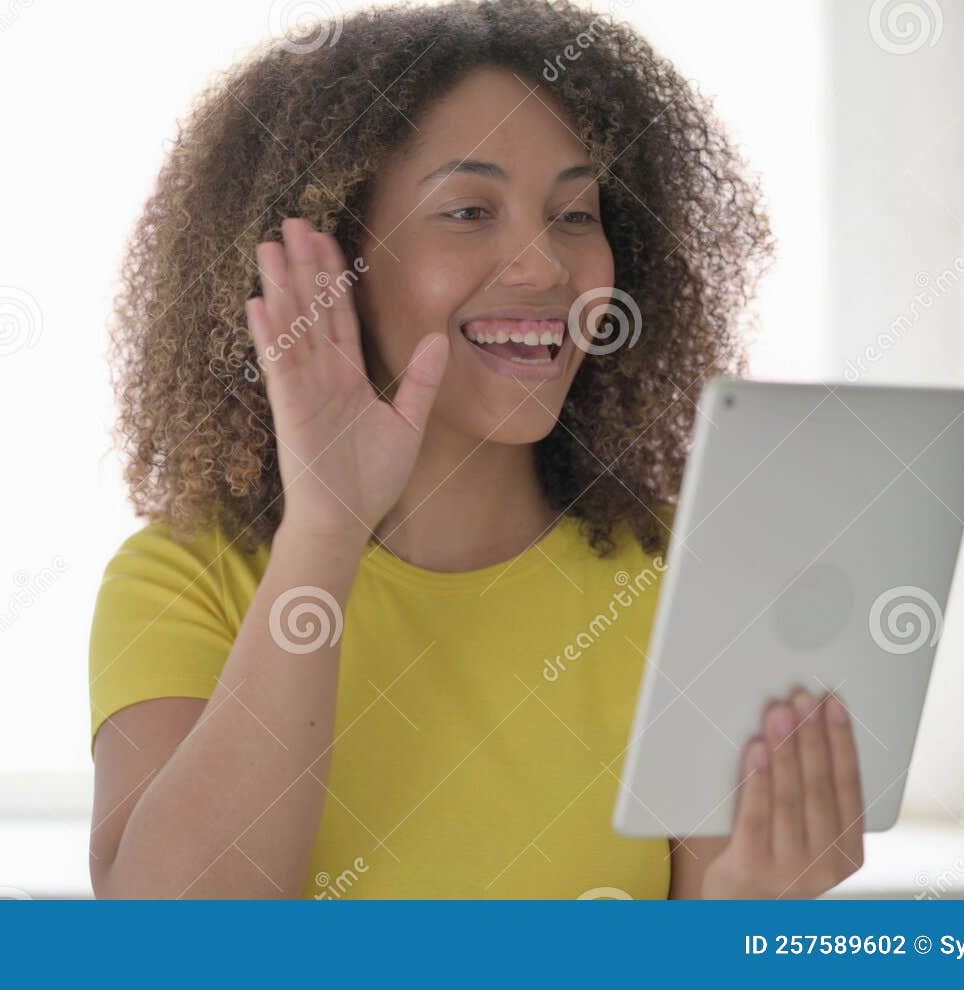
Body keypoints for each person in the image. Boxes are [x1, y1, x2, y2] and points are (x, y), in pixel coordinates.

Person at [88, 0, 865, 899]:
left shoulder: (687, 575)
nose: (541, 265)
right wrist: (325, 533)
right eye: (467, 211)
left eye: (576, 213)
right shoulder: (184, 584)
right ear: (332, 262)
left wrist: (753, 916)